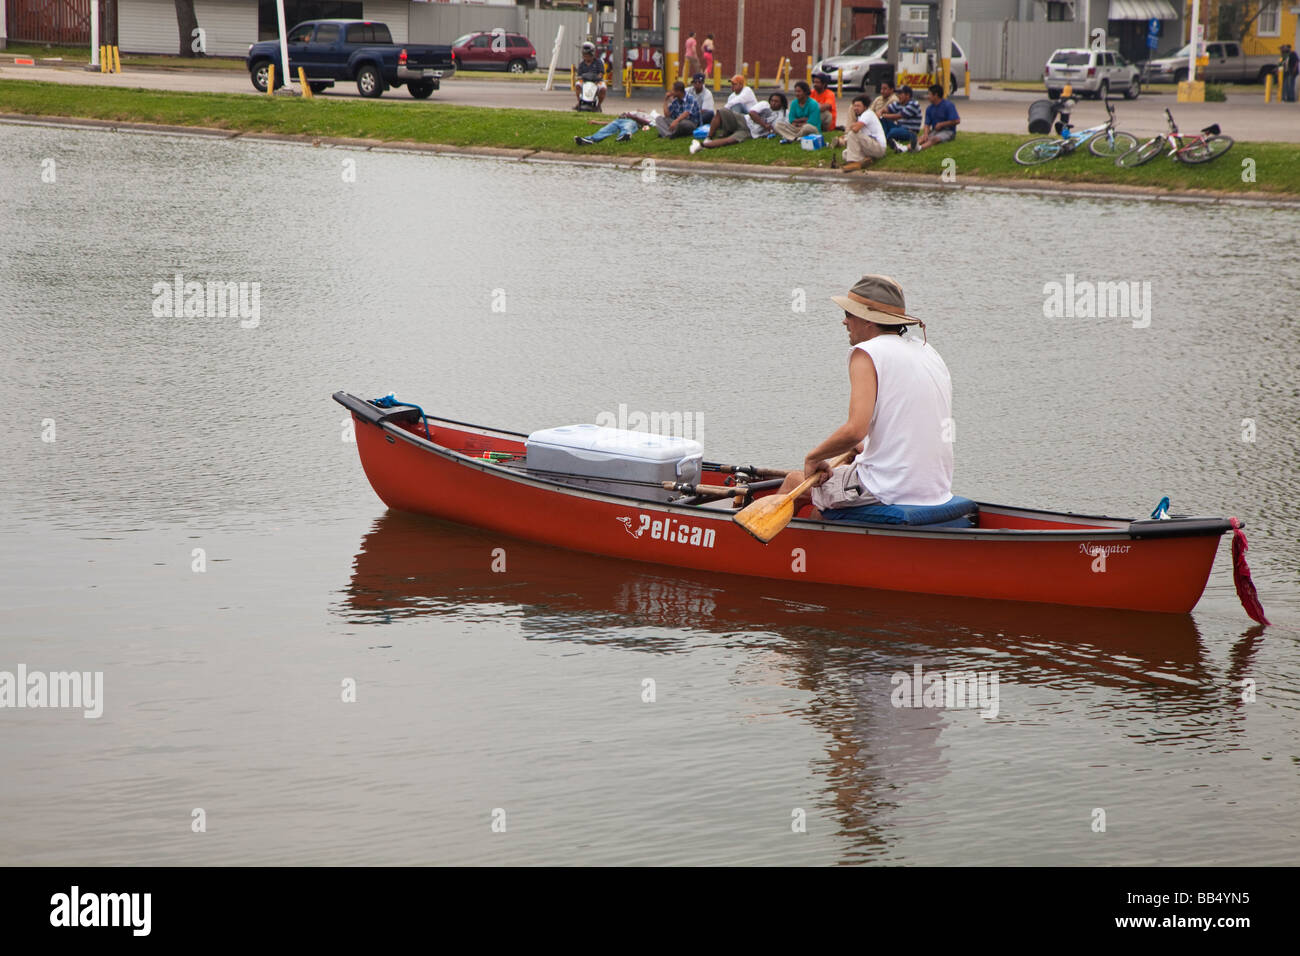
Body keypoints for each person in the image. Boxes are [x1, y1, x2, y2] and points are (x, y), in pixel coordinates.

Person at [774, 274, 952, 522]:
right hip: (936, 488)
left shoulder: (866, 353)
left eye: (849, 314)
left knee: (796, 481)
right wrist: (867, 446)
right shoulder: (926, 351)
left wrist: (813, 458)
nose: (844, 322)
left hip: (890, 489)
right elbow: (906, 420)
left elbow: (855, 430)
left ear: (868, 319)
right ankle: (825, 548)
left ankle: (756, 553)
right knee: (829, 498)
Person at [834, 94, 886, 171]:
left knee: (852, 134)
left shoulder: (867, 114)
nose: (855, 108)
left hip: (878, 147)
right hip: (870, 146)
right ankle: (867, 160)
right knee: (845, 154)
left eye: (858, 106)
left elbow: (855, 129)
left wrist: (853, 126)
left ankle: (854, 163)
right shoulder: (861, 116)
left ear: (865, 107)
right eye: (854, 106)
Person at [880, 84, 923, 151]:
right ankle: (885, 138)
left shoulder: (913, 104)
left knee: (893, 132)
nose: (898, 96)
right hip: (899, 127)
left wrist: (882, 115)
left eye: (900, 94)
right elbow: (886, 109)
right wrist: (880, 112)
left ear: (907, 95)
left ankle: (887, 139)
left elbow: (898, 116)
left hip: (909, 131)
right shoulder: (898, 103)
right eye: (898, 94)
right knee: (883, 120)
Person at [917, 83, 959, 150]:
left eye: (929, 94)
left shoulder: (948, 105)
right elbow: (927, 124)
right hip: (935, 131)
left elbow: (957, 121)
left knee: (934, 139)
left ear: (935, 95)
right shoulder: (929, 108)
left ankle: (919, 148)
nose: (928, 96)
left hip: (948, 131)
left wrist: (942, 124)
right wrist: (925, 134)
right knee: (921, 138)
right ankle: (904, 148)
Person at [575, 111, 653, 145]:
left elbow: (648, 123)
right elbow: (610, 122)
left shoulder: (646, 115)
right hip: (619, 120)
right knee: (605, 129)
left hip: (631, 121)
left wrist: (634, 117)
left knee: (627, 127)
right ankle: (590, 139)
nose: (639, 109)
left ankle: (623, 136)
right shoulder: (629, 112)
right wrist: (597, 122)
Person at [574, 41, 606, 111]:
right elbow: (579, 75)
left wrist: (598, 78)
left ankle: (599, 104)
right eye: (585, 55)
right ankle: (579, 102)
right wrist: (581, 77)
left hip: (596, 81)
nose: (586, 57)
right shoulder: (582, 64)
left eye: (588, 55)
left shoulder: (598, 62)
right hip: (585, 81)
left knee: (603, 88)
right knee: (577, 85)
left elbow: (601, 73)